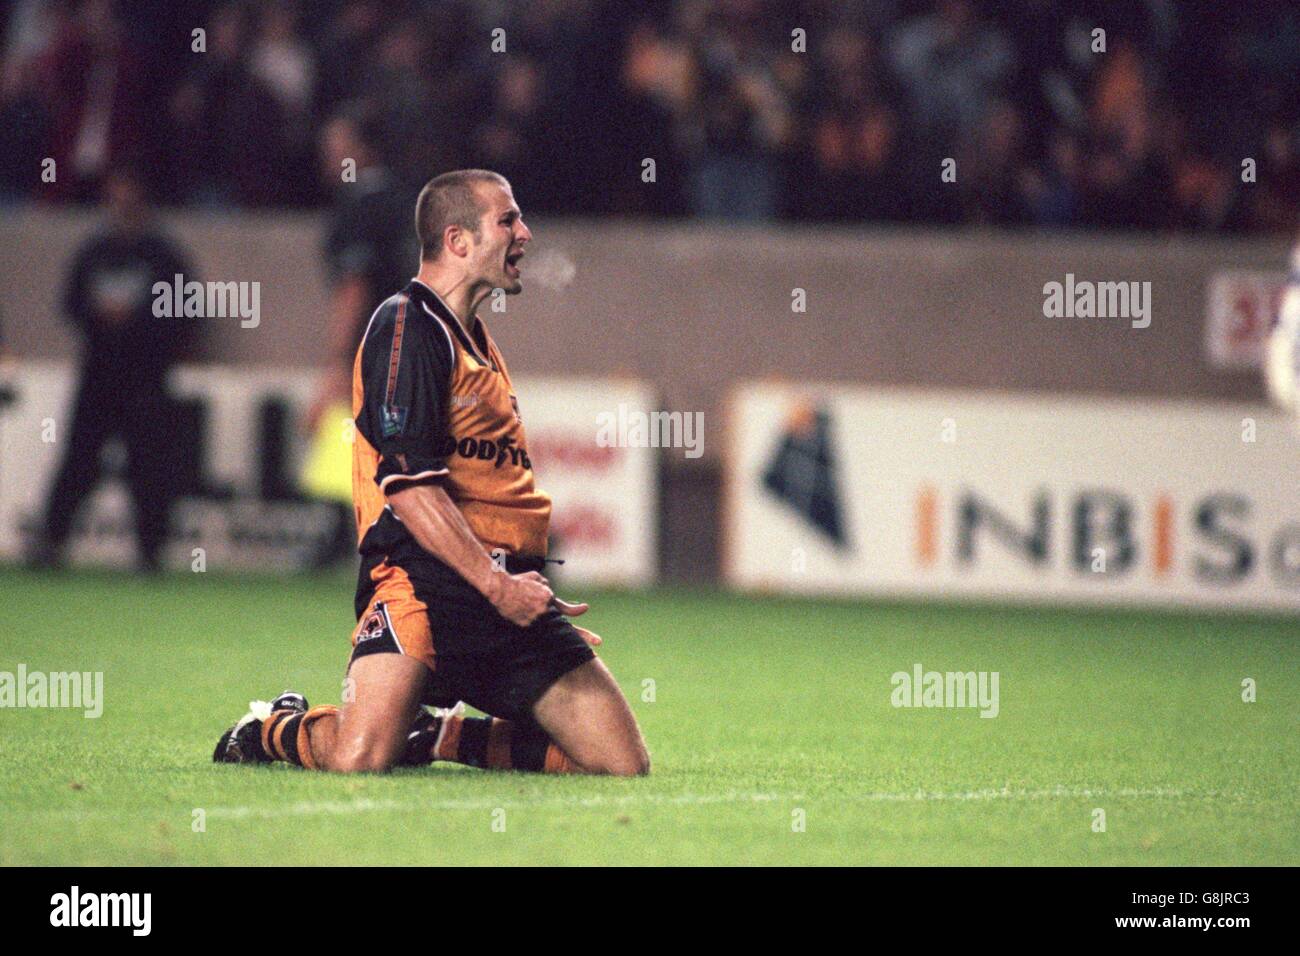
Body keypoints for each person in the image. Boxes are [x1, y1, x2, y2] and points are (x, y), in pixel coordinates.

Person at [215, 170, 650, 776]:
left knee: (618, 764)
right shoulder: (405, 327)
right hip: (423, 585)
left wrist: (519, 580)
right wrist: (497, 584)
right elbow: (412, 490)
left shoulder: (477, 338)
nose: (526, 232)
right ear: (458, 240)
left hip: (507, 595)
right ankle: (268, 729)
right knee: (361, 758)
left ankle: (439, 738)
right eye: (508, 220)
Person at [30, 167, 194, 571]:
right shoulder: (93, 251)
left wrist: (137, 321)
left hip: (146, 378)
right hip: (98, 375)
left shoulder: (163, 255)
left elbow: (186, 311)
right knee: (79, 458)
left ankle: (151, 552)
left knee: (150, 464)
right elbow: (71, 304)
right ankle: (51, 541)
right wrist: (100, 316)